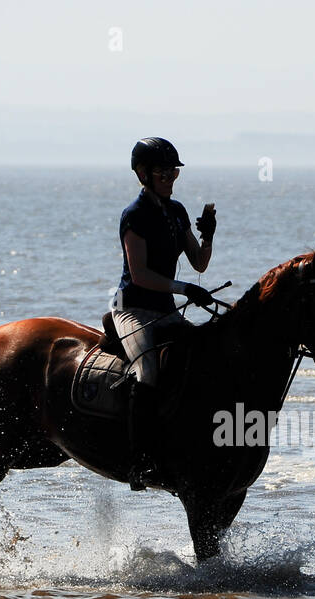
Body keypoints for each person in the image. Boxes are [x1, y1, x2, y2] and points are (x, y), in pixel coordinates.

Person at [113, 137, 216, 489]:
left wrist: (208, 238)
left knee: (206, 355)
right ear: (143, 173)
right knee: (147, 371)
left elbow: (199, 263)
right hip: (134, 311)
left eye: (173, 172)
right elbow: (140, 275)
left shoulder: (177, 211)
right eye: (163, 172)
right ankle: (138, 461)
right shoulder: (135, 215)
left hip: (166, 310)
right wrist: (185, 289)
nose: (170, 178)